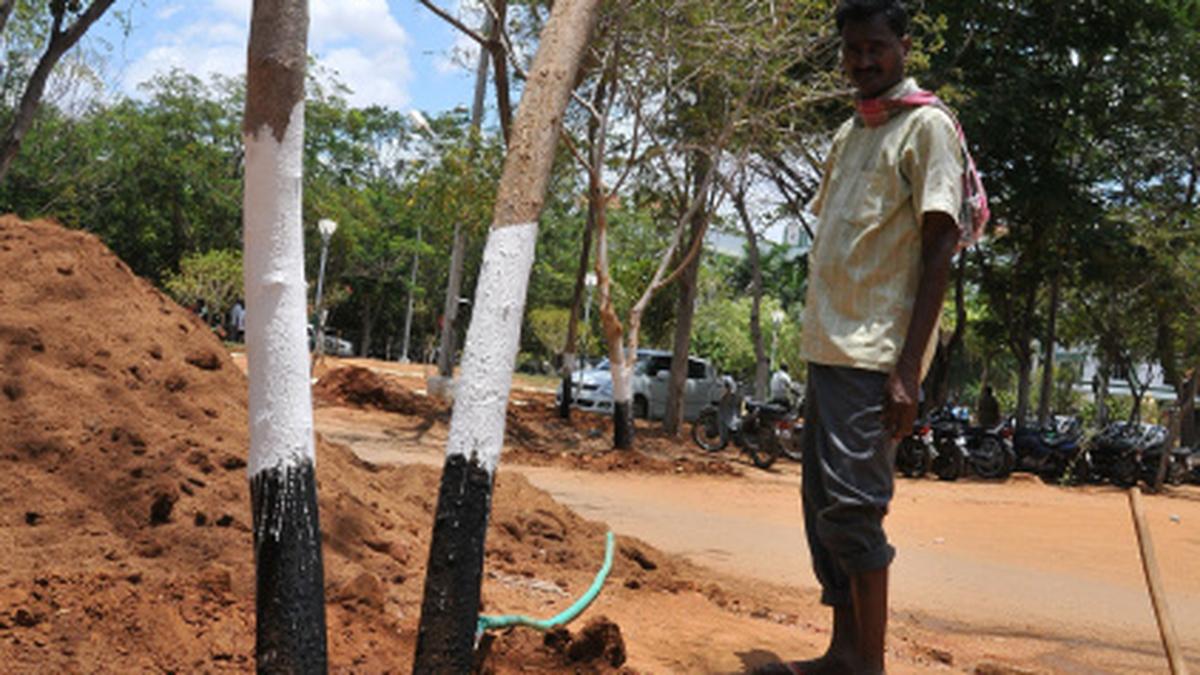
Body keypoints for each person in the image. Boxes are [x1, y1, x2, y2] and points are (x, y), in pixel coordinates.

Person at [760, 1, 988, 673]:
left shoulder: (927, 127)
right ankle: (842, 651)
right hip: (827, 349)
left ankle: (870, 663)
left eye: (875, 47)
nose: (862, 60)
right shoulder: (850, 133)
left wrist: (907, 371)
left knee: (856, 510)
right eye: (852, 48)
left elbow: (941, 246)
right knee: (823, 510)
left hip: (875, 356)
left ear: (904, 46)